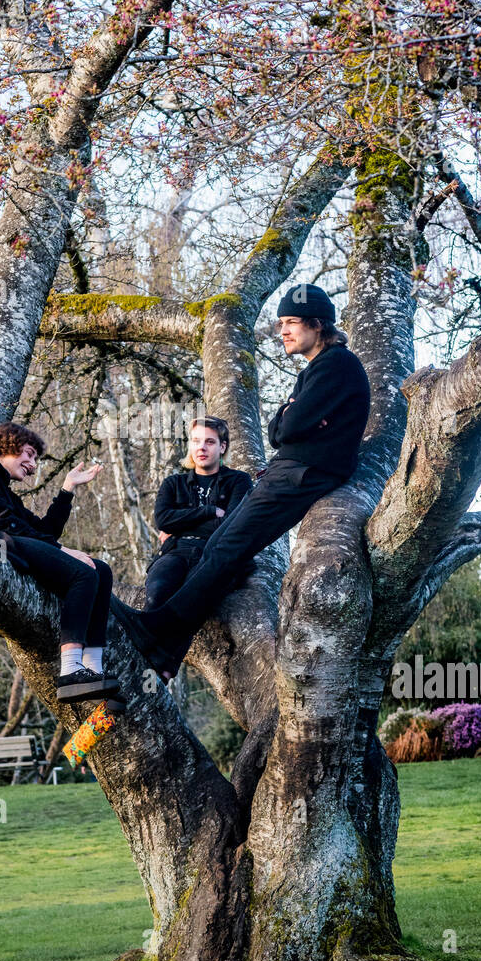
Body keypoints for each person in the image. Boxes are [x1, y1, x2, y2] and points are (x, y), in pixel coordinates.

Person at [111, 284, 371, 679]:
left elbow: (292, 424)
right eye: (281, 322)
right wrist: (291, 418)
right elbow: (276, 430)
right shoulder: (316, 369)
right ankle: (166, 653)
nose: (283, 330)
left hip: (301, 475)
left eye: (291, 323)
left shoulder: (337, 365)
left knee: (226, 550)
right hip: (290, 469)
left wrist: (293, 417)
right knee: (219, 547)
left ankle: (158, 632)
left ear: (317, 325)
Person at [0, 422, 123, 708]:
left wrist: (68, 488)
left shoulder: (5, 489)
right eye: (28, 454)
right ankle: (71, 670)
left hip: (10, 538)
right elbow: (5, 522)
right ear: (6, 445)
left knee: (101, 569)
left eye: (35, 459)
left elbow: (43, 530)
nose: (32, 464)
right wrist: (62, 550)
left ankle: (93, 669)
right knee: (84, 573)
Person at [145, 416, 253, 609]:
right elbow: (163, 520)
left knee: (189, 601)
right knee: (155, 595)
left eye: (210, 442)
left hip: (218, 555)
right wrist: (209, 511)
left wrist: (179, 525)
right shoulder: (173, 483)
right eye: (196, 441)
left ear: (222, 447)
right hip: (175, 552)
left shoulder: (239, 481)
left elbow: (232, 525)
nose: (201, 447)